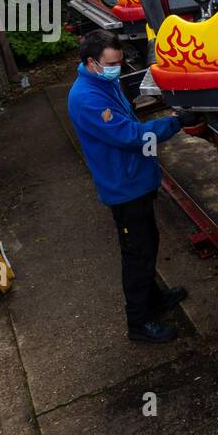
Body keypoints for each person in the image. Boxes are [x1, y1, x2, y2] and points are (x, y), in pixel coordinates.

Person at [68, 31, 186, 343]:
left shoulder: (103, 82)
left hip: (136, 178)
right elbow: (130, 135)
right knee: (137, 254)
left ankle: (154, 299)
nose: (118, 67)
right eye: (112, 63)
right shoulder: (87, 98)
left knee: (148, 242)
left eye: (120, 62)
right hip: (124, 186)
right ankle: (139, 323)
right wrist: (174, 122)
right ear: (92, 62)